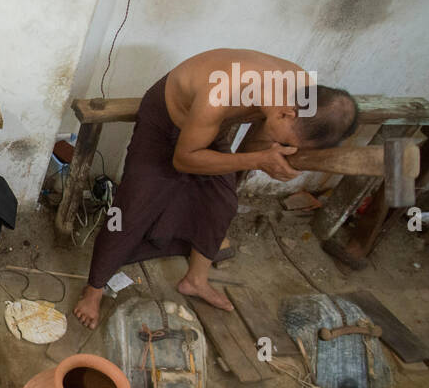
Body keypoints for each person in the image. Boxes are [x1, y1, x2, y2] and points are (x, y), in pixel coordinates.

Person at [73, 48, 359, 329]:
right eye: (287, 141)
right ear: (286, 113)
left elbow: (260, 142)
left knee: (222, 201)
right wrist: (261, 159)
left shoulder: (303, 89)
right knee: (132, 209)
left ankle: (195, 281)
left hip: (210, 128)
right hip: (166, 120)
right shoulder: (221, 92)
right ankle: (94, 290)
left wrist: (270, 158)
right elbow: (184, 159)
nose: (285, 147)